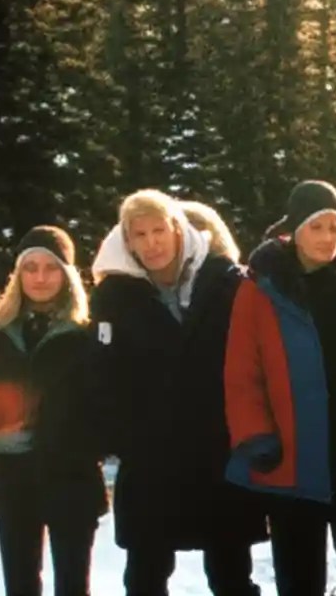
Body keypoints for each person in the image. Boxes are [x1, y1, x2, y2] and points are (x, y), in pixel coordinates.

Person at [224, 180, 336, 596]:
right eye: (316, 227)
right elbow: (241, 371)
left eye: (334, 227)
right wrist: (257, 436)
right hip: (290, 456)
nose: (326, 238)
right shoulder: (261, 290)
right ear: (293, 231)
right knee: (299, 578)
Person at [89, 190, 265, 596]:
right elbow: (102, 373)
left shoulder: (225, 282)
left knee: (231, 574)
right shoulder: (114, 296)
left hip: (219, 450)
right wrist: (122, 437)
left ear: (177, 230)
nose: (151, 244)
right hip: (152, 457)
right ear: (127, 241)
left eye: (158, 231)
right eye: (139, 235)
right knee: (146, 575)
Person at [0, 225, 107, 596]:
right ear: (18, 275)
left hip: (72, 484)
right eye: (31, 267)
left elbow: (108, 409)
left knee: (73, 588)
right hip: (15, 485)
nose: (40, 278)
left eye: (51, 267)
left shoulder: (86, 336)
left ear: (68, 275)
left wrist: (74, 446)